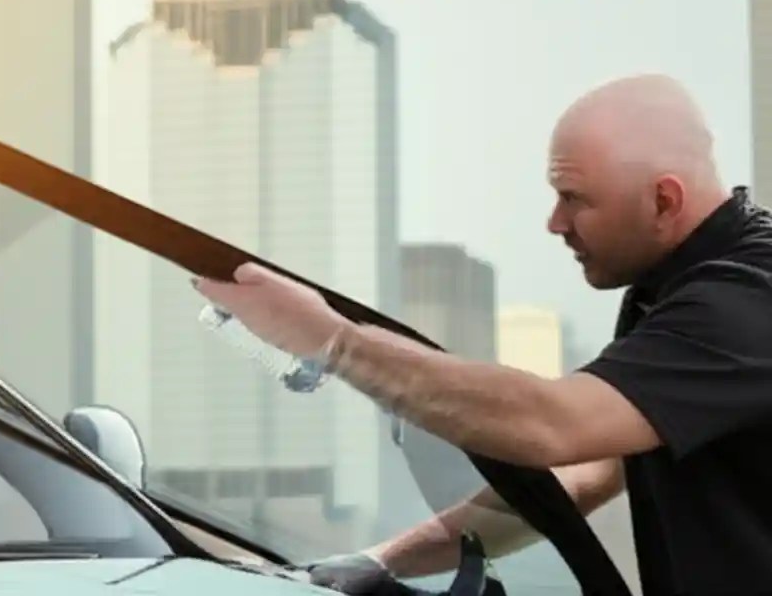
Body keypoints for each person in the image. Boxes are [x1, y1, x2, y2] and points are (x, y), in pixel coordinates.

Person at [193, 74, 772, 596]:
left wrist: (332, 341)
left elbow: (550, 424)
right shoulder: (672, 288)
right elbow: (586, 473)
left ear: (664, 201)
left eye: (574, 199)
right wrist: (380, 561)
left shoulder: (743, 303)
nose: (555, 223)